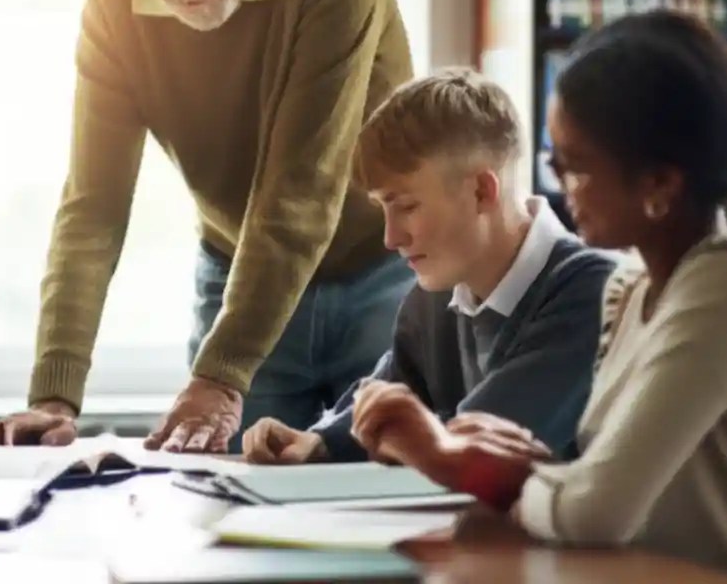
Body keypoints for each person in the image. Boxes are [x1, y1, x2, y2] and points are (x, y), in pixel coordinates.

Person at [351, 11, 727, 582]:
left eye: (575, 167)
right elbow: (594, 482)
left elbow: (597, 510)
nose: (560, 187)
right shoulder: (630, 285)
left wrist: (454, 460)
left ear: (659, 185)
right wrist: (532, 468)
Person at [0, 0, 416, 453]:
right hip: (240, 281)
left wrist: (220, 375)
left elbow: (302, 187)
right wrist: (55, 395)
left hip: (379, 270)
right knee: (231, 502)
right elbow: (93, 207)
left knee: (388, 497)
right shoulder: (113, 2)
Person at [240, 68, 615, 465]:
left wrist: (389, 429)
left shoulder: (593, 293)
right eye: (384, 209)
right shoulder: (434, 298)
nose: (391, 238)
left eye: (407, 207)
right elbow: (382, 402)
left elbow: (482, 445)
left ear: (480, 191)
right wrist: (317, 441)